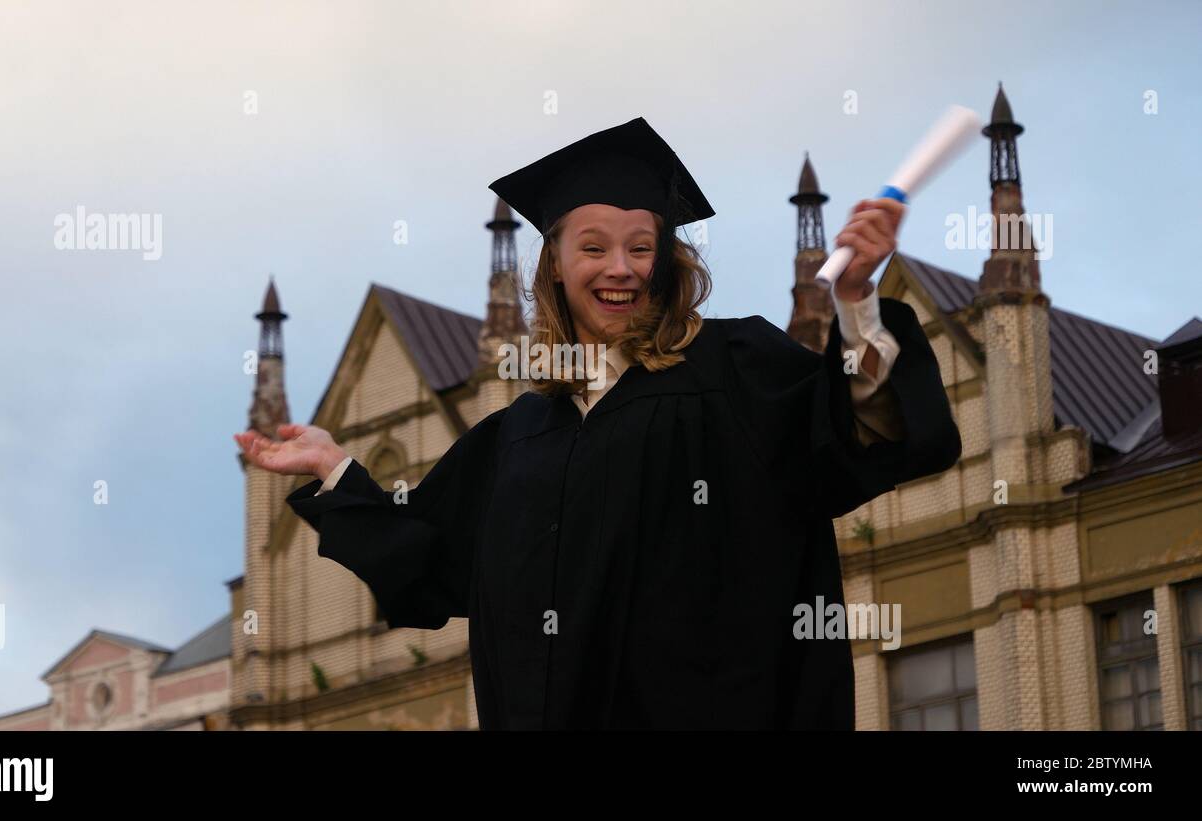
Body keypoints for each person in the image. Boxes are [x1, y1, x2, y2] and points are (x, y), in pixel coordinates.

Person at [234, 117, 961, 730]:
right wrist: (333, 470)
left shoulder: (734, 368)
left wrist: (859, 296)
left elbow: (856, 427)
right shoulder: (516, 439)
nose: (622, 268)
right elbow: (425, 556)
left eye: (641, 247)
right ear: (554, 264)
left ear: (667, 261)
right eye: (594, 247)